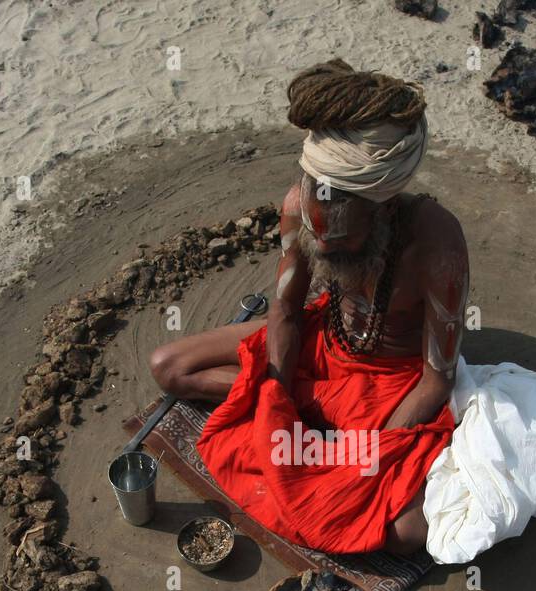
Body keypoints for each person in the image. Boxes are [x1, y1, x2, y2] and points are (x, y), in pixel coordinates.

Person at [149, 59, 468, 555]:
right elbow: (288, 311)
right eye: (319, 238)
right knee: (168, 368)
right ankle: (300, 424)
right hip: (323, 344)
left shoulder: (436, 241)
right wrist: (276, 391)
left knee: (410, 535)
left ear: (381, 209)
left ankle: (312, 440)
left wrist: (365, 452)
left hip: (386, 388)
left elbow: (437, 378)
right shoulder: (299, 207)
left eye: (340, 243)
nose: (326, 248)